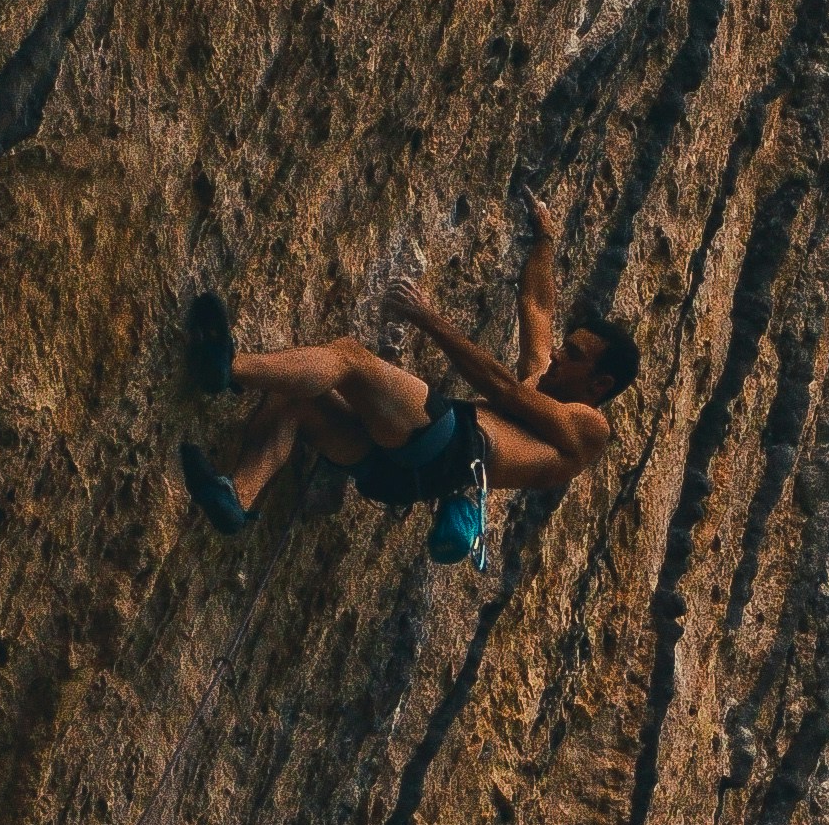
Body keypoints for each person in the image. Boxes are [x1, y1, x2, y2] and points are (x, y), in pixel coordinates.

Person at [178, 195, 639, 564]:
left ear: (599, 385)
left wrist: (429, 320)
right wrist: (546, 240)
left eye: (574, 356)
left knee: (349, 359)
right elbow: (537, 308)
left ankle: (228, 368)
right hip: (397, 475)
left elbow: (502, 390)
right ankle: (238, 497)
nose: (558, 354)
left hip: (447, 444)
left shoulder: (588, 430)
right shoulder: (545, 382)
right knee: (294, 401)